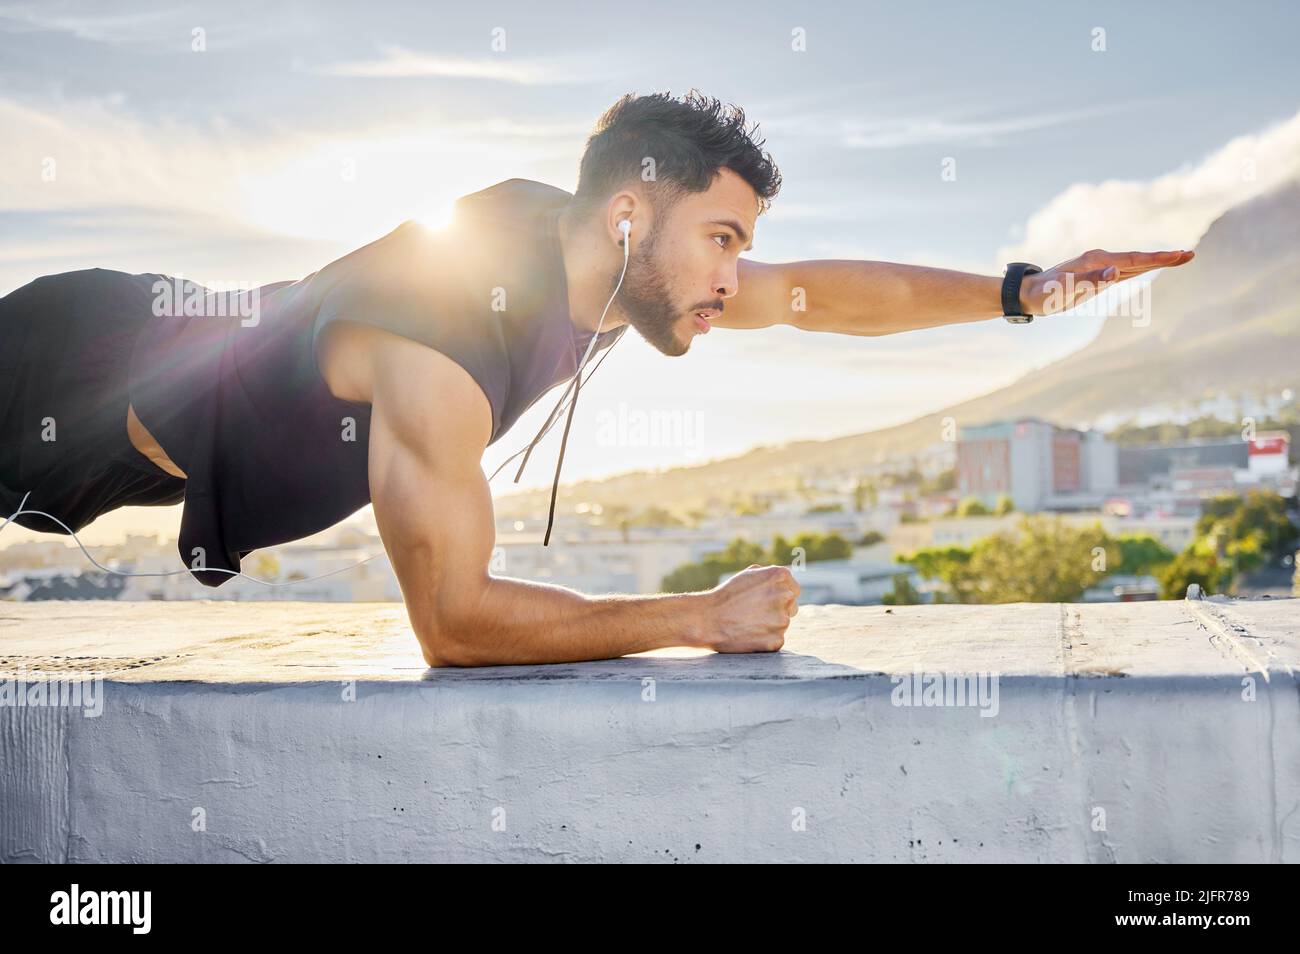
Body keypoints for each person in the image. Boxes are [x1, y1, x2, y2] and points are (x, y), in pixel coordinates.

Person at [0, 90, 1193, 666]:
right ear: (630, 213)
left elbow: (822, 294)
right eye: (723, 239)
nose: (741, 276)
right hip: (64, 363)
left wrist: (1022, 290)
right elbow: (453, 625)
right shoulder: (441, 334)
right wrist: (697, 618)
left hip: (131, 445)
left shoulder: (609, 262)